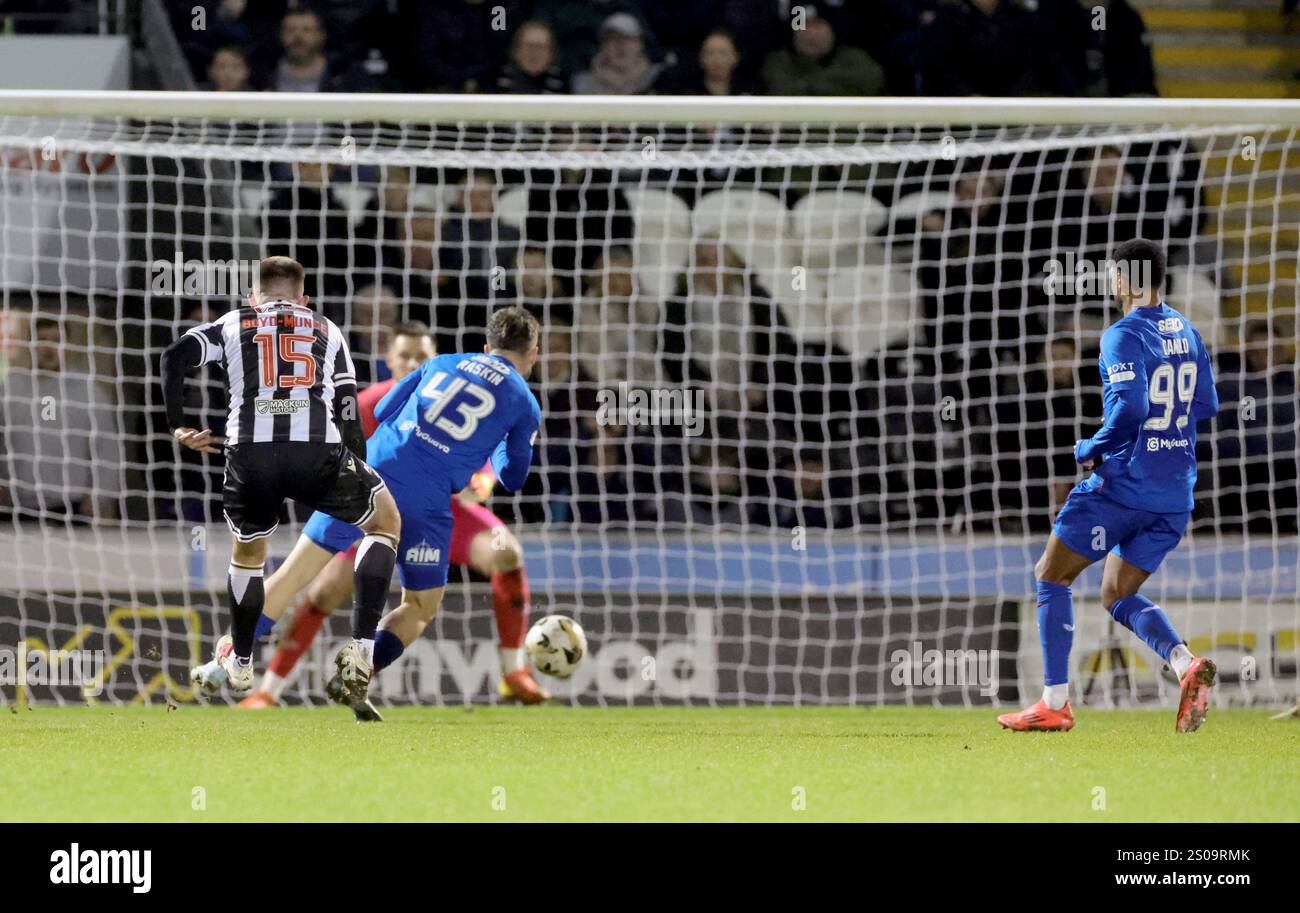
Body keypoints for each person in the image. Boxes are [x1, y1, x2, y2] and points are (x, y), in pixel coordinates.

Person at [197, 306, 542, 715]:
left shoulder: (442, 364)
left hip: (370, 478)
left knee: (292, 576)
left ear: (487, 346)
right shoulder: (524, 402)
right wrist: (499, 442)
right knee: (419, 606)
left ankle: (227, 662)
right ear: (533, 354)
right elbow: (514, 476)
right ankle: (359, 666)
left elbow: (381, 413)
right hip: (428, 502)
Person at [997, 239, 1220, 733]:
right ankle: (1185, 664)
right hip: (1174, 494)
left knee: (1051, 574)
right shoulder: (1188, 330)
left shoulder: (1121, 335)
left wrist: (1091, 445)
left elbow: (1134, 408)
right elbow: (1207, 404)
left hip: (1124, 485)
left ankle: (1055, 702)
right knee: (1117, 594)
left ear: (1123, 278)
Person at [160, 256, 402, 696]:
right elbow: (348, 410)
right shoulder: (327, 329)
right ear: (303, 297)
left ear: (252, 296)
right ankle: (362, 648)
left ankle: (242, 661)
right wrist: (356, 470)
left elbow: (174, 356)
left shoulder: (235, 322)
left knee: (249, 556)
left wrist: (179, 425)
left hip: (251, 458)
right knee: (385, 523)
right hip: (317, 454)